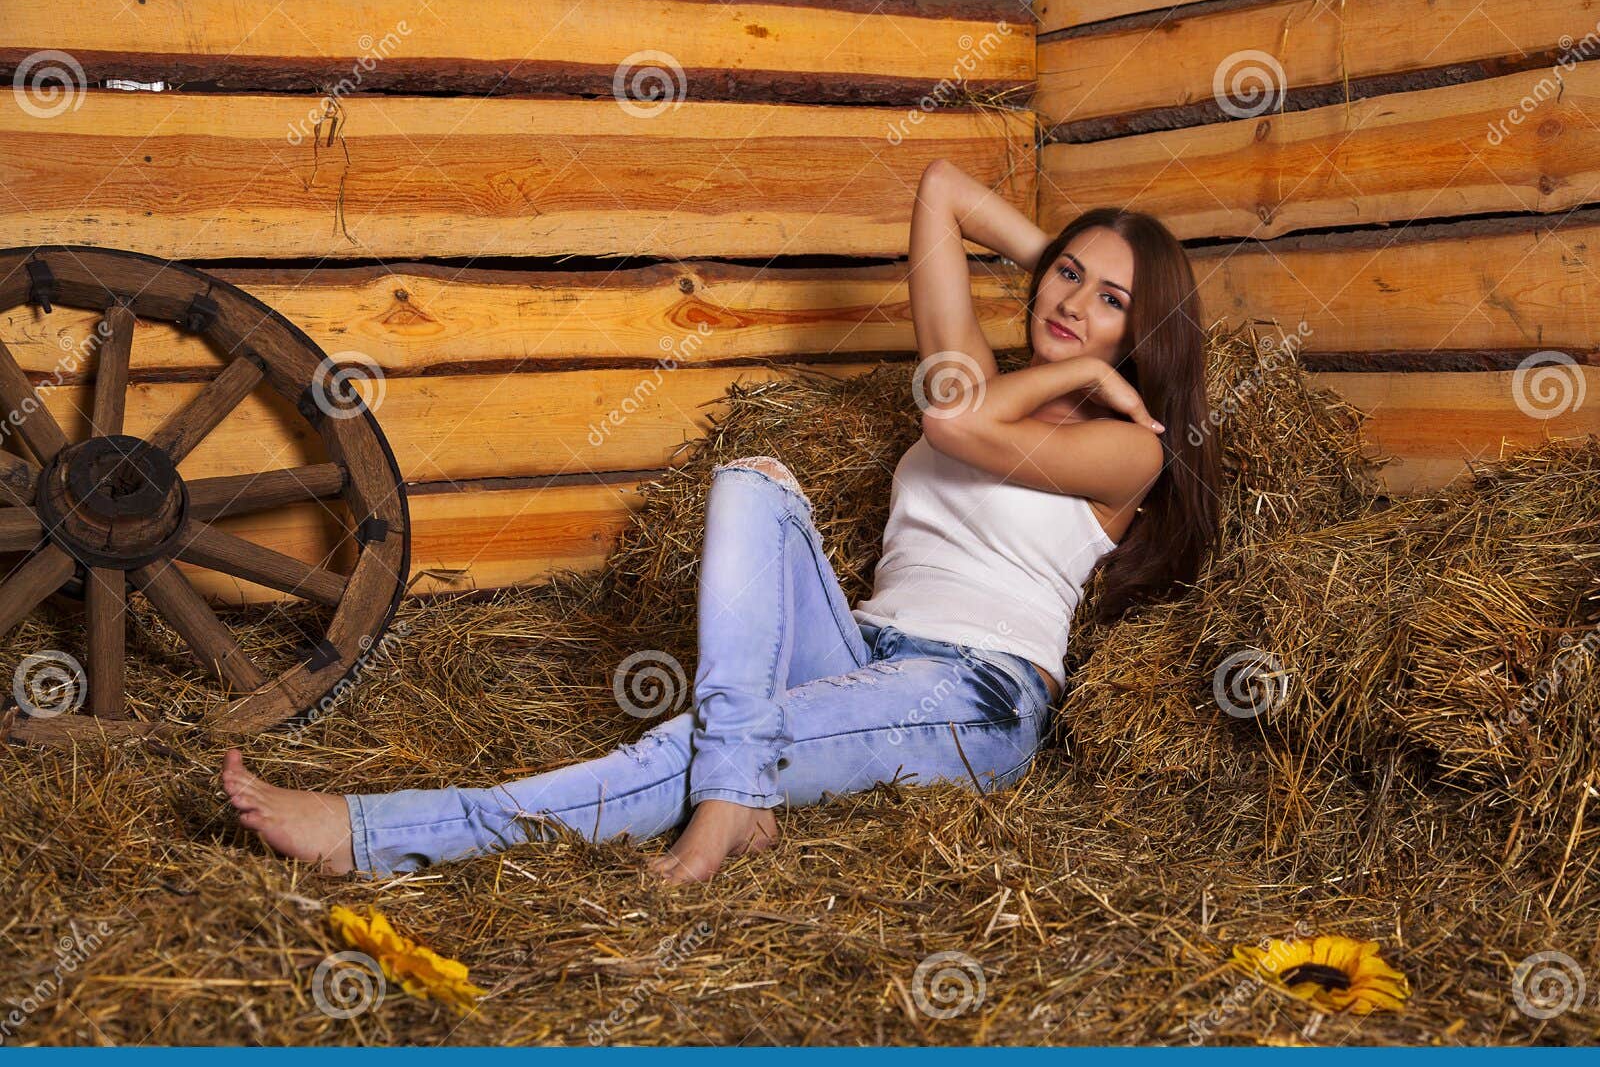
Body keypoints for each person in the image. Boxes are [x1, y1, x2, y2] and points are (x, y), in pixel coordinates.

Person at [222, 158, 1220, 885]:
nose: (1074, 300)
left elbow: (949, 424)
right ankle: (738, 791)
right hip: (859, 649)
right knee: (752, 474)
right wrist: (1077, 301)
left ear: (1146, 331)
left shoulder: (1133, 446)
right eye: (1067, 277)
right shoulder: (994, 377)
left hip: (974, 690)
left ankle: (372, 833)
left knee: (686, 747)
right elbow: (944, 187)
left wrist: (1094, 367)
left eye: (1111, 300)